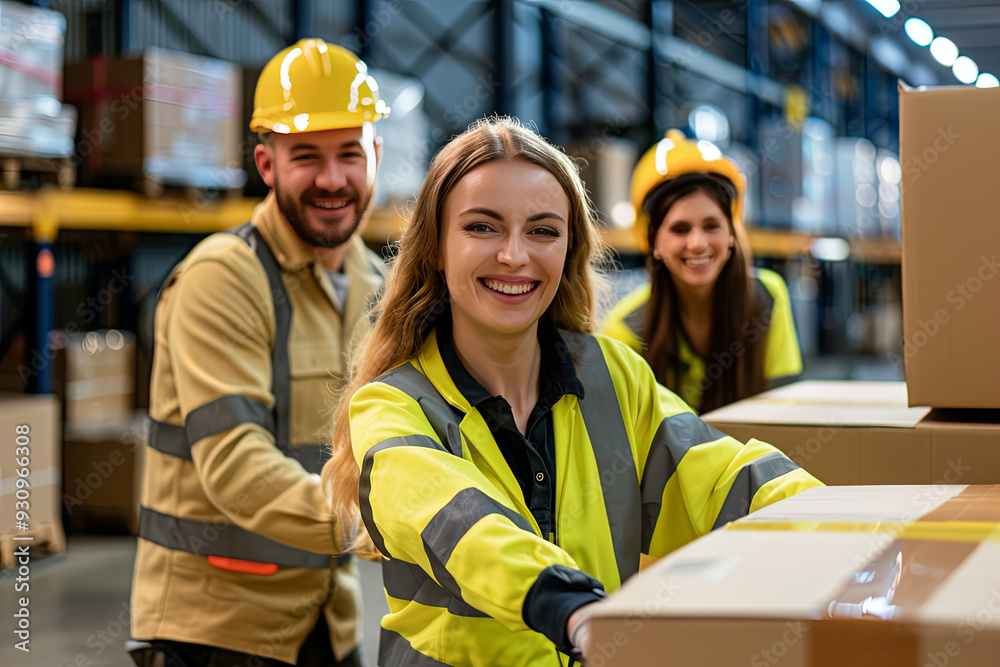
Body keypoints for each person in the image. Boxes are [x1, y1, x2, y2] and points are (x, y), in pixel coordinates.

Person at [322, 117, 821, 665]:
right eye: (482, 227)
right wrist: (573, 608)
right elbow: (461, 525)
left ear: (568, 249)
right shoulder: (394, 407)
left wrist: (837, 515)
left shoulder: (614, 377)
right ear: (436, 248)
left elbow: (723, 475)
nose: (515, 255)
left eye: (542, 230)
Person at [129, 39, 388, 667]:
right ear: (266, 165)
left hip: (329, 619)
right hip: (215, 628)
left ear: (375, 156)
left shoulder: (379, 288)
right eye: (307, 157)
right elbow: (236, 468)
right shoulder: (223, 278)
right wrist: (389, 524)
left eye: (349, 154)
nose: (332, 180)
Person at [602, 130, 802, 414]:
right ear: (654, 243)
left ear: (732, 234)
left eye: (711, 226)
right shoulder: (622, 332)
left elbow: (784, 414)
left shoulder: (767, 296)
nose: (697, 244)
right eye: (680, 229)